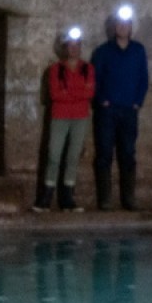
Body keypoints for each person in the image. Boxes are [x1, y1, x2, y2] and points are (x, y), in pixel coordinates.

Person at [90, 4, 149, 209]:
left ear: (131, 27)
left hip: (128, 111)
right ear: (114, 27)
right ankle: (105, 199)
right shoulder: (103, 52)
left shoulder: (138, 50)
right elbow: (94, 79)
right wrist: (101, 100)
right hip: (107, 111)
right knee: (104, 154)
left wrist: (137, 102)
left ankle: (128, 198)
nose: (122, 27)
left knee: (127, 154)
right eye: (119, 24)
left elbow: (143, 79)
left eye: (126, 24)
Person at [35, 26, 94, 211]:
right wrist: (77, 94)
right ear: (65, 48)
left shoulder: (88, 69)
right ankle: (46, 197)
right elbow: (54, 94)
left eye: (77, 45)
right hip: (60, 117)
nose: (74, 49)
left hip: (80, 117)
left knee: (73, 157)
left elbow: (90, 92)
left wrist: (68, 93)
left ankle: (67, 198)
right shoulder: (55, 70)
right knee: (54, 155)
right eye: (70, 45)